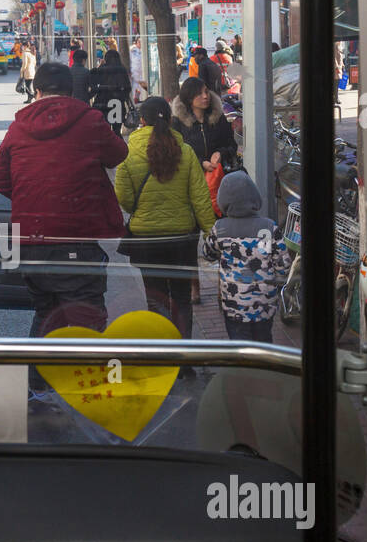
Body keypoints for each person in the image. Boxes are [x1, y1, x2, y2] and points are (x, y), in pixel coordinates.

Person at [0, 62, 128, 399]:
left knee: (46, 311)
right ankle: (95, 390)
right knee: (86, 313)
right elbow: (119, 154)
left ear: (36, 90)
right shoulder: (89, 120)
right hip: (77, 237)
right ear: (71, 90)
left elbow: (2, 182)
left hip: (30, 240)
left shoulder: (17, 128)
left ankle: (37, 386)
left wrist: (35, 199)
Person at [114, 95, 216, 340]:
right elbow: (200, 197)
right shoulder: (186, 151)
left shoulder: (127, 153)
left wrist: (139, 210)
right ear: (170, 120)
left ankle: (163, 356)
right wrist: (211, 233)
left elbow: (123, 197)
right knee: (182, 299)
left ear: (141, 120)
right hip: (182, 238)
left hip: (145, 240)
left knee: (155, 299)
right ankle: (185, 359)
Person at [200, 170, 291, 343]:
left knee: (239, 345)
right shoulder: (268, 227)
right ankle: (263, 367)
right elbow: (283, 265)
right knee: (264, 342)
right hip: (265, 302)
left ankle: (244, 370)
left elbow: (208, 254)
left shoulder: (220, 228)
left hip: (234, 304)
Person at [172, 77, 238, 303]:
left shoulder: (218, 119)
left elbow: (232, 145)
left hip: (218, 187)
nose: (205, 96)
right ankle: (194, 288)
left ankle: (223, 287)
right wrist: (200, 161)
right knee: (190, 240)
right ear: (189, 98)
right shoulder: (177, 123)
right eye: (200, 93)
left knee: (220, 237)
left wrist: (221, 152)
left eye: (207, 92)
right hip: (190, 187)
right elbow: (176, 152)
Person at [87, 47, 132, 135]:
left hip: (103, 104)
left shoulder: (102, 69)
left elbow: (94, 85)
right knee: (117, 132)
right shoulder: (121, 70)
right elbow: (127, 88)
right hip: (118, 104)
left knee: (104, 132)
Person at [129, 37, 147, 102]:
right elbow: (130, 61)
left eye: (141, 42)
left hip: (143, 76)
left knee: (143, 95)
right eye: (139, 42)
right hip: (134, 75)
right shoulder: (132, 50)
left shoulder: (146, 49)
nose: (140, 43)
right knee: (134, 94)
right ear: (136, 42)